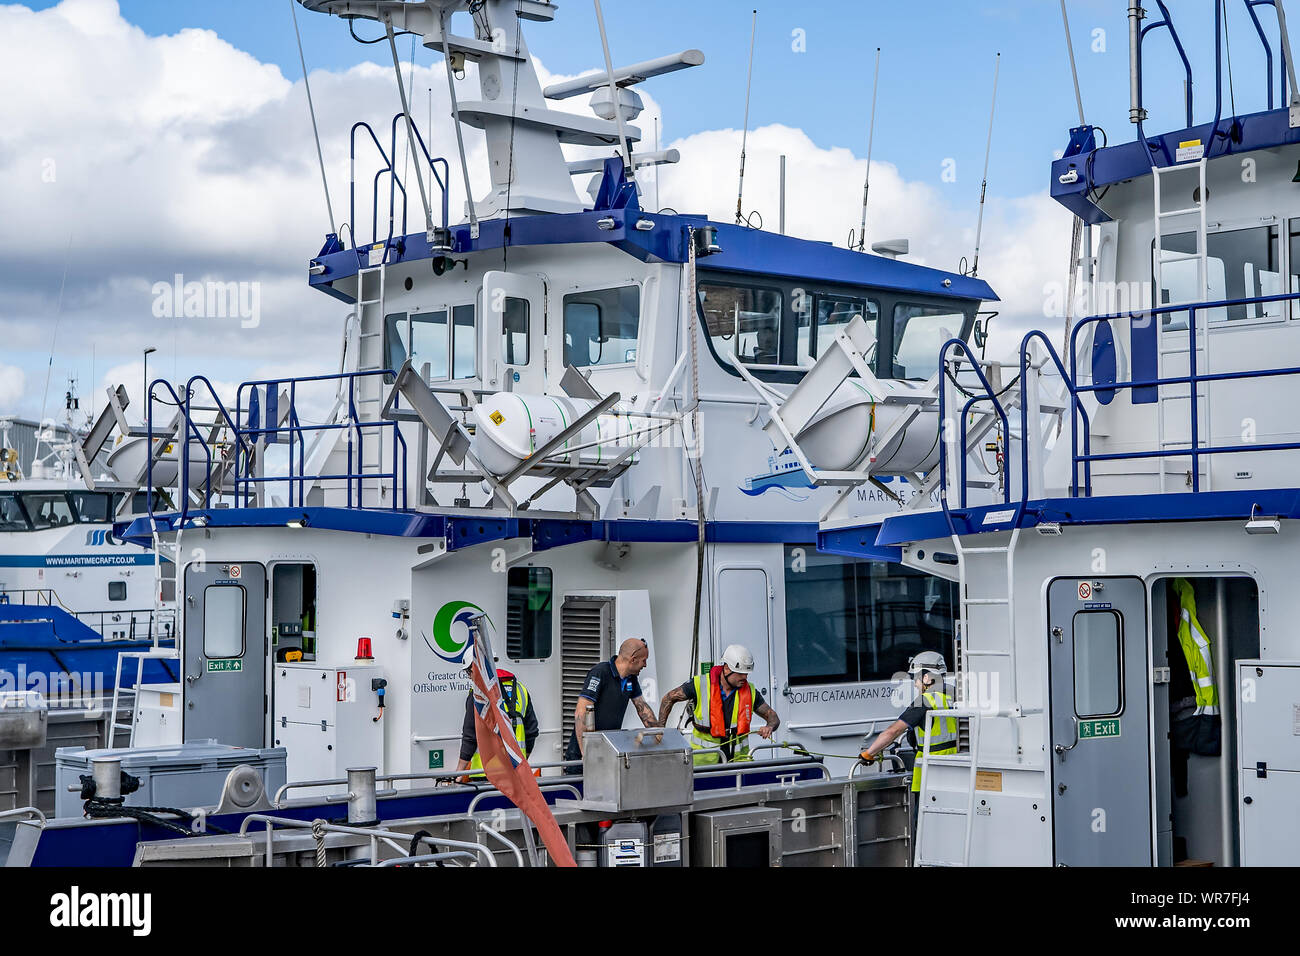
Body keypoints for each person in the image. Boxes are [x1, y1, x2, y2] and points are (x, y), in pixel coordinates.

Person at [859, 651, 958, 834]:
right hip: (954, 768)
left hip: (931, 770)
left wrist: (868, 754)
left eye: (916, 678)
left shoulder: (924, 700)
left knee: (925, 828)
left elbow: (893, 731)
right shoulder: (953, 694)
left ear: (927, 677)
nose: (915, 683)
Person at [657, 644, 780, 764]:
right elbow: (668, 699)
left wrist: (769, 727)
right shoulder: (700, 684)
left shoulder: (750, 691)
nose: (744, 677)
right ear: (726, 669)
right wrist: (659, 732)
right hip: (704, 762)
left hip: (738, 762)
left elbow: (773, 717)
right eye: (740, 673)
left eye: (746, 673)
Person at [563, 638, 658, 772]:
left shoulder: (631, 679)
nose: (645, 665)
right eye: (644, 660)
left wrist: (660, 735)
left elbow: (642, 708)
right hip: (583, 755)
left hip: (608, 751)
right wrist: (587, 753)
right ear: (633, 659)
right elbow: (581, 713)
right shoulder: (600, 672)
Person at [452, 659, 538, 781]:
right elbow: (531, 732)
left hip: (486, 773)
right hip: (516, 773)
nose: (470, 678)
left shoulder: (478, 693)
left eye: (468, 673)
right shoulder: (520, 690)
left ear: (474, 669)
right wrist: (522, 761)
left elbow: (470, 736)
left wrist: (459, 773)